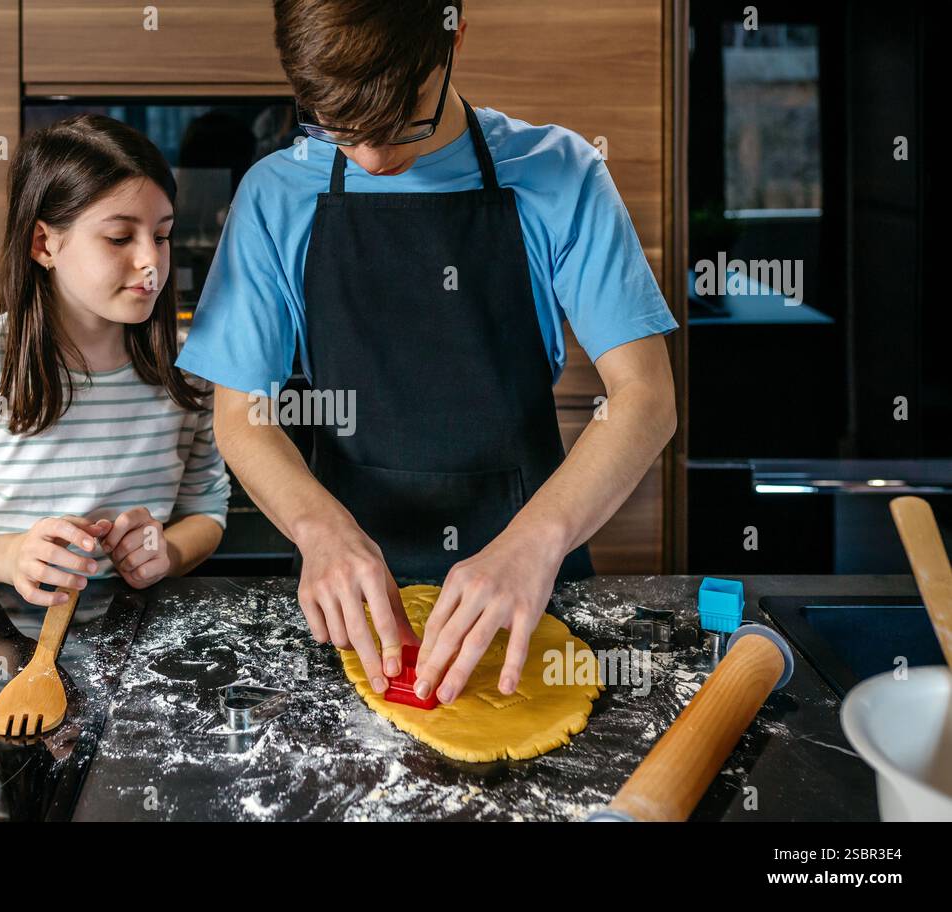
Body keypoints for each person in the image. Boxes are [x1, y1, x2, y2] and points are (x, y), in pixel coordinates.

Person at [175, 1, 678, 704]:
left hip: (530, 580)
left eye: (400, 122)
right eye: (341, 130)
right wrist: (318, 529)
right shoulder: (275, 192)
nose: (374, 158)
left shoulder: (558, 170)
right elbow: (242, 414)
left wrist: (534, 542)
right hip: (349, 599)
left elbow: (645, 398)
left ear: (455, 38)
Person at [0, 114, 231, 604]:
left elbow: (207, 511)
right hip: (6, 651)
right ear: (44, 244)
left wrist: (168, 551)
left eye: (161, 235)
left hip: (143, 647)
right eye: (119, 238)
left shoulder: (191, 367)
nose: (151, 261)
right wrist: (8, 557)